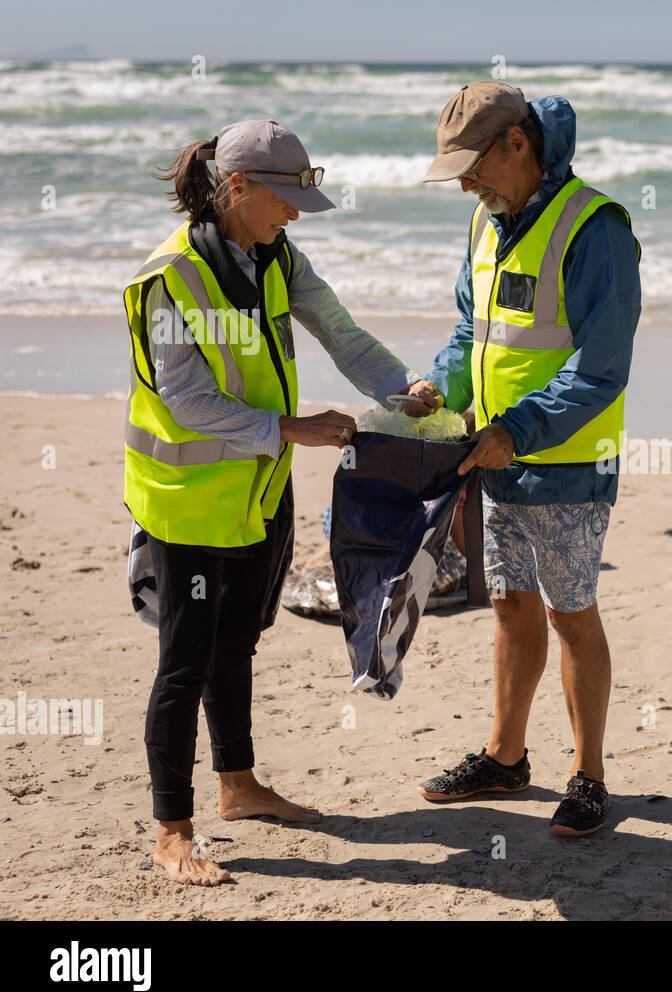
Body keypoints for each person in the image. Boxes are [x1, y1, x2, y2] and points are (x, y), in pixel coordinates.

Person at [124, 120, 440, 885]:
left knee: (237, 645)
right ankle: (172, 831)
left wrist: (399, 388)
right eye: (287, 199)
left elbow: (337, 329)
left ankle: (238, 786)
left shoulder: (275, 256)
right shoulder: (170, 277)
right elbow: (188, 400)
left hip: (258, 492)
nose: (296, 214)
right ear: (238, 188)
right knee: (183, 663)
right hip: (187, 502)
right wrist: (293, 428)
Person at [417, 83, 640, 837]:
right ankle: (506, 758)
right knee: (510, 607)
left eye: (473, 167)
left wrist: (518, 427)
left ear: (517, 144)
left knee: (569, 611)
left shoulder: (595, 227)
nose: (467, 186)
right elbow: (468, 331)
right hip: (496, 453)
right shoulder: (488, 221)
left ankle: (589, 777)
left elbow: (601, 366)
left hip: (568, 461)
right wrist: (434, 388)